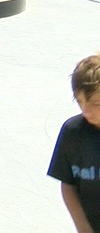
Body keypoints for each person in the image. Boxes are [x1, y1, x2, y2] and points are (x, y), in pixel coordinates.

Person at [47, 52, 100, 233]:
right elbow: (68, 184)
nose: (86, 111)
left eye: (96, 103)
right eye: (80, 101)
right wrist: (83, 228)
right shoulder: (73, 132)